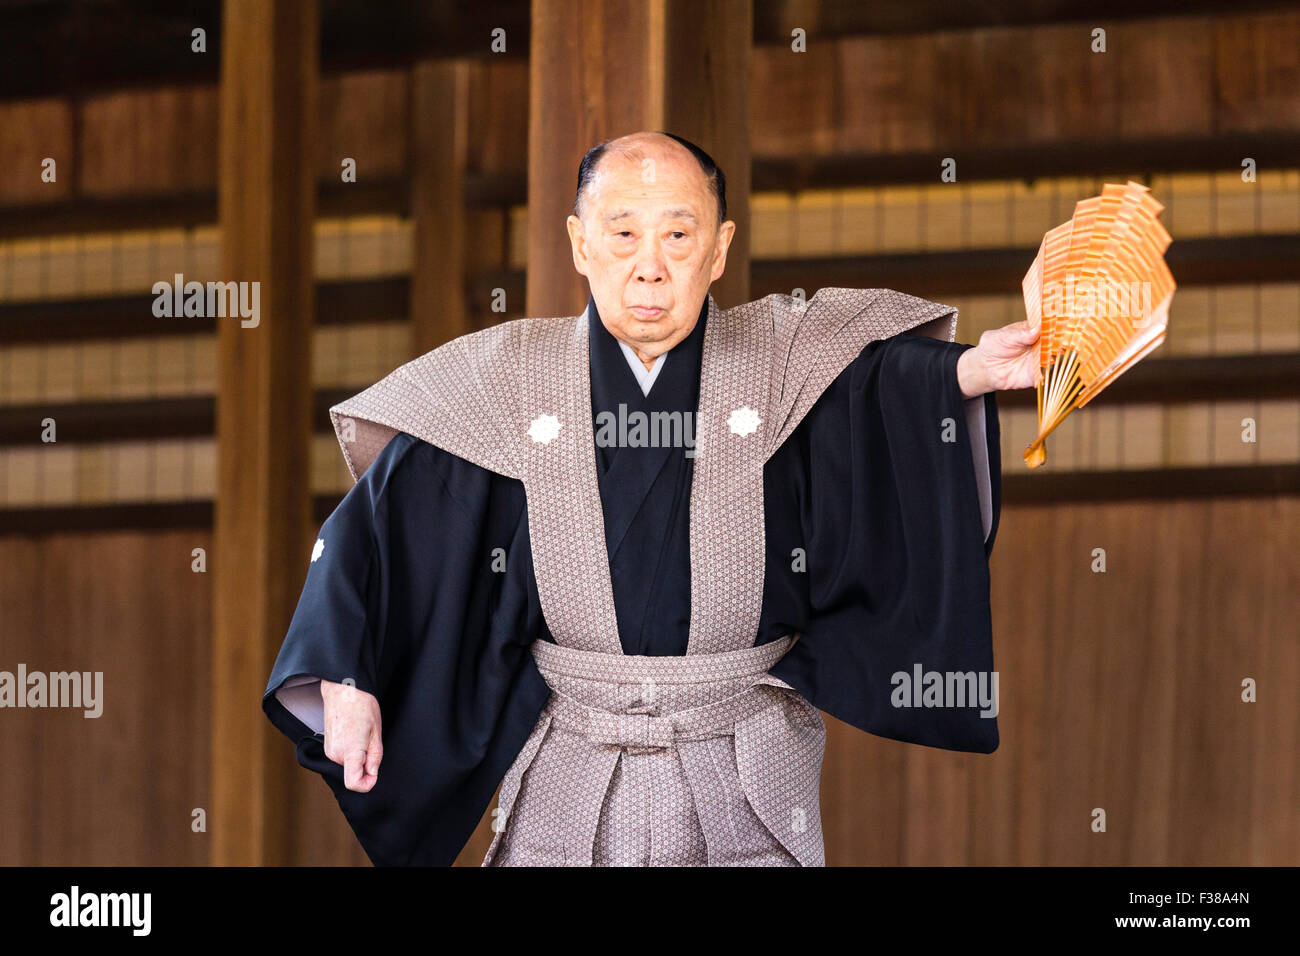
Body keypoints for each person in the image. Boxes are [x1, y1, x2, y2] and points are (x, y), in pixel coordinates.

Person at [263, 130, 1040, 866]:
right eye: (624, 233)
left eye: (678, 234)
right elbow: (380, 530)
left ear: (719, 248)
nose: (650, 266)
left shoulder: (785, 361)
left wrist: (972, 373)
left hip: (743, 755)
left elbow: (876, 392)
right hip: (572, 750)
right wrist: (346, 676)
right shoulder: (507, 380)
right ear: (579, 243)